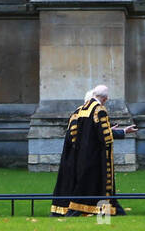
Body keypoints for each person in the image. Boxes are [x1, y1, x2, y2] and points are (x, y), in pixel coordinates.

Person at [51, 85, 136, 217]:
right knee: (95, 184)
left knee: (83, 184)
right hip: (95, 156)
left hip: (79, 155)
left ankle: (108, 210)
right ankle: (89, 211)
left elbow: (83, 134)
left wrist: (111, 130)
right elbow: (104, 137)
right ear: (105, 98)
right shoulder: (99, 110)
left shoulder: (79, 110)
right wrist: (122, 131)